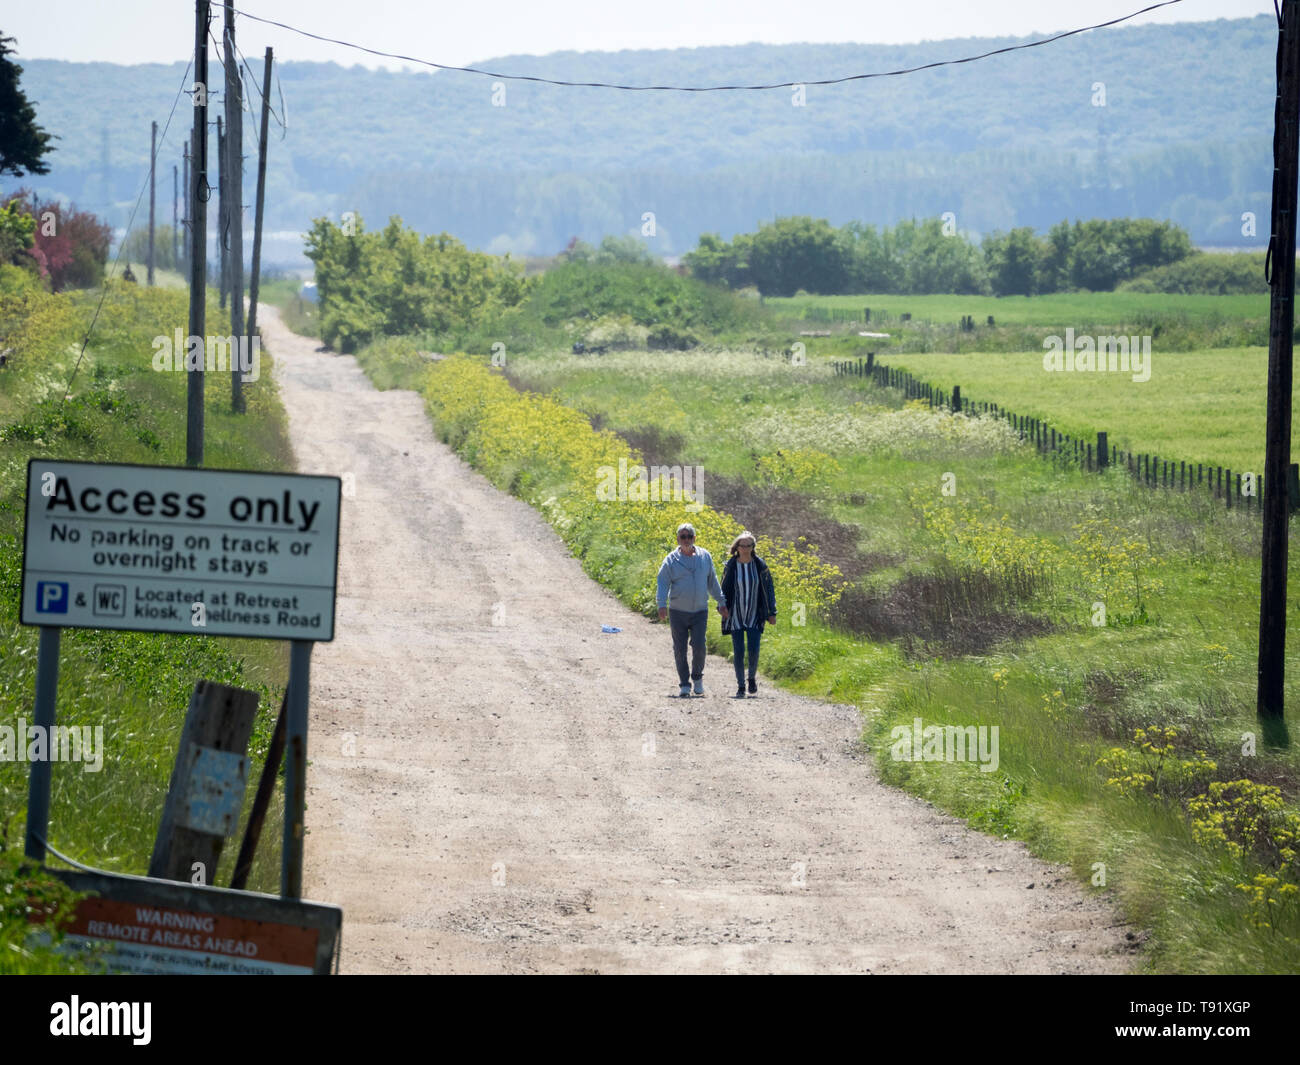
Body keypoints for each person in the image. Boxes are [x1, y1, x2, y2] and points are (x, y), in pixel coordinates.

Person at [656, 523, 728, 697]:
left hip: (700, 611)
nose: (686, 539)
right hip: (678, 611)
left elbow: (712, 581)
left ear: (694, 538)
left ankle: (697, 678)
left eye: (689, 536)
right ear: (678, 539)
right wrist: (661, 604)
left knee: (700, 646)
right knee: (680, 649)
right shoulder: (671, 560)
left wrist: (721, 601)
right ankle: (684, 684)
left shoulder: (705, 557)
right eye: (683, 536)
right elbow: (663, 582)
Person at [719, 530, 777, 698]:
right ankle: (740, 685)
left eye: (748, 546)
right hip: (735, 614)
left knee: (754, 649)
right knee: (738, 651)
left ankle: (751, 678)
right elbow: (723, 588)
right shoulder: (730, 566)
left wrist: (771, 612)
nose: (745, 549)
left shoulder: (760, 566)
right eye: (742, 545)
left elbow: (769, 589)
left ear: (753, 547)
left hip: (755, 613)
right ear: (737, 547)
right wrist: (722, 606)